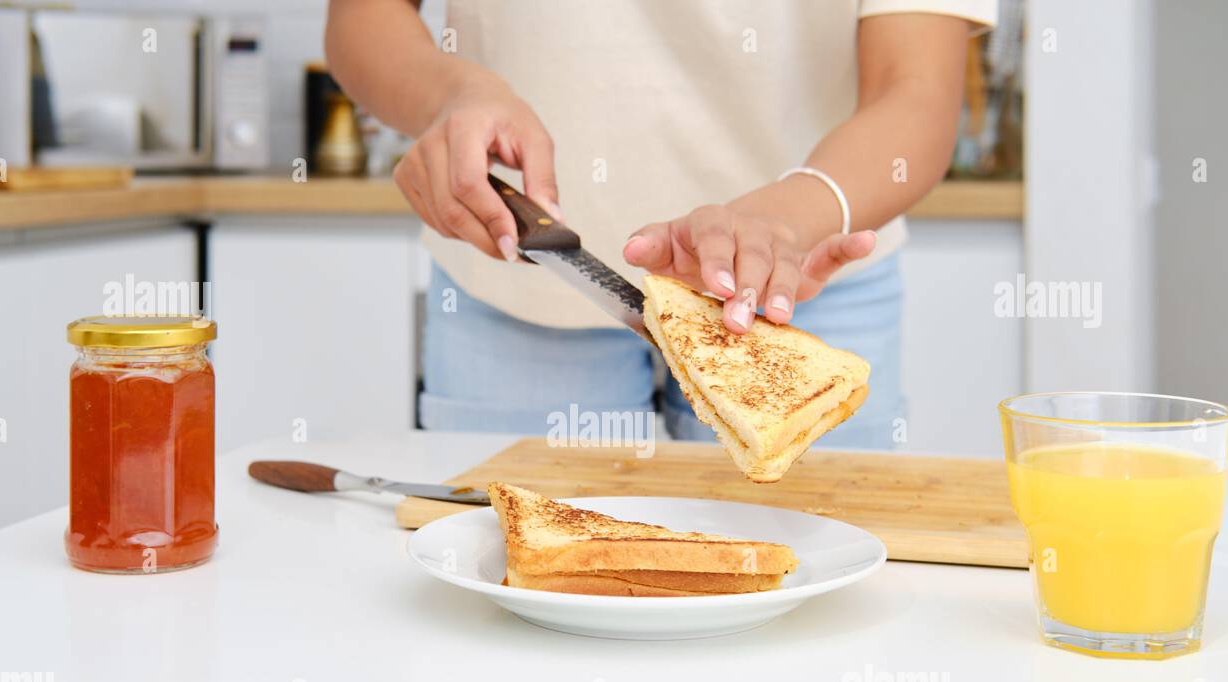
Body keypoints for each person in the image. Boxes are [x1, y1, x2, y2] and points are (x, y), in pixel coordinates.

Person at [326, 0, 996, 447]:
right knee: (522, 614)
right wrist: (452, 96)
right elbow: (363, 19)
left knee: (813, 614)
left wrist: (789, 217)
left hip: (805, 287)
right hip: (521, 285)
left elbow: (919, 91)